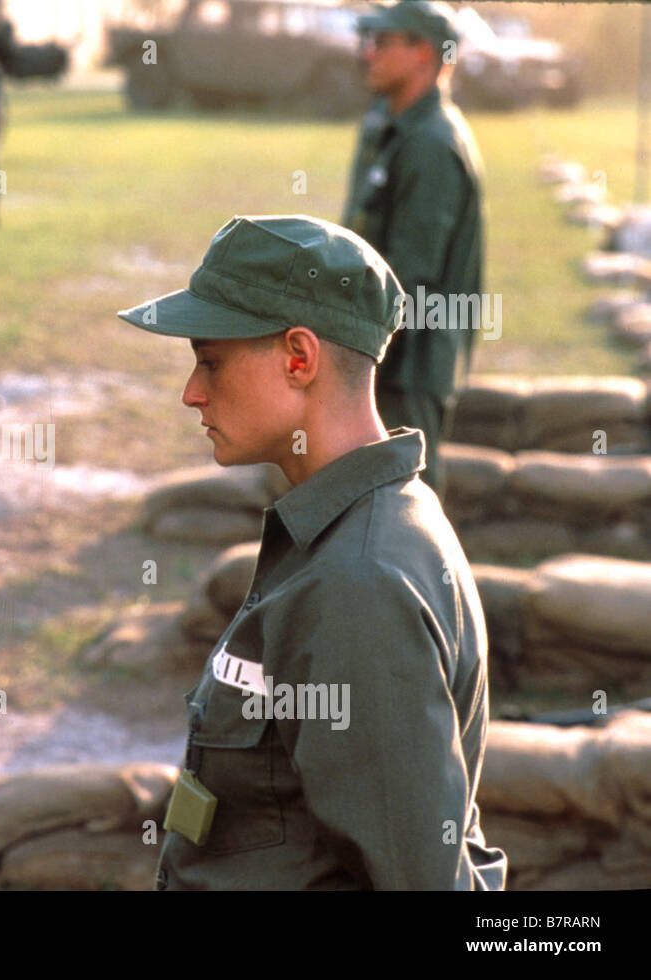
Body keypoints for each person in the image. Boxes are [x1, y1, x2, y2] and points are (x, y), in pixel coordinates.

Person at [118, 214, 507, 890]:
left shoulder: (359, 581)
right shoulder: (356, 527)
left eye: (211, 360)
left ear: (299, 357)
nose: (192, 391)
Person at [342, 0, 484, 495]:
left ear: (423, 52)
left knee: (408, 500)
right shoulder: (396, 126)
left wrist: (351, 362)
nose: (368, 53)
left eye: (381, 42)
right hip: (387, 352)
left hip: (409, 361)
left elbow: (406, 283)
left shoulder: (431, 144)